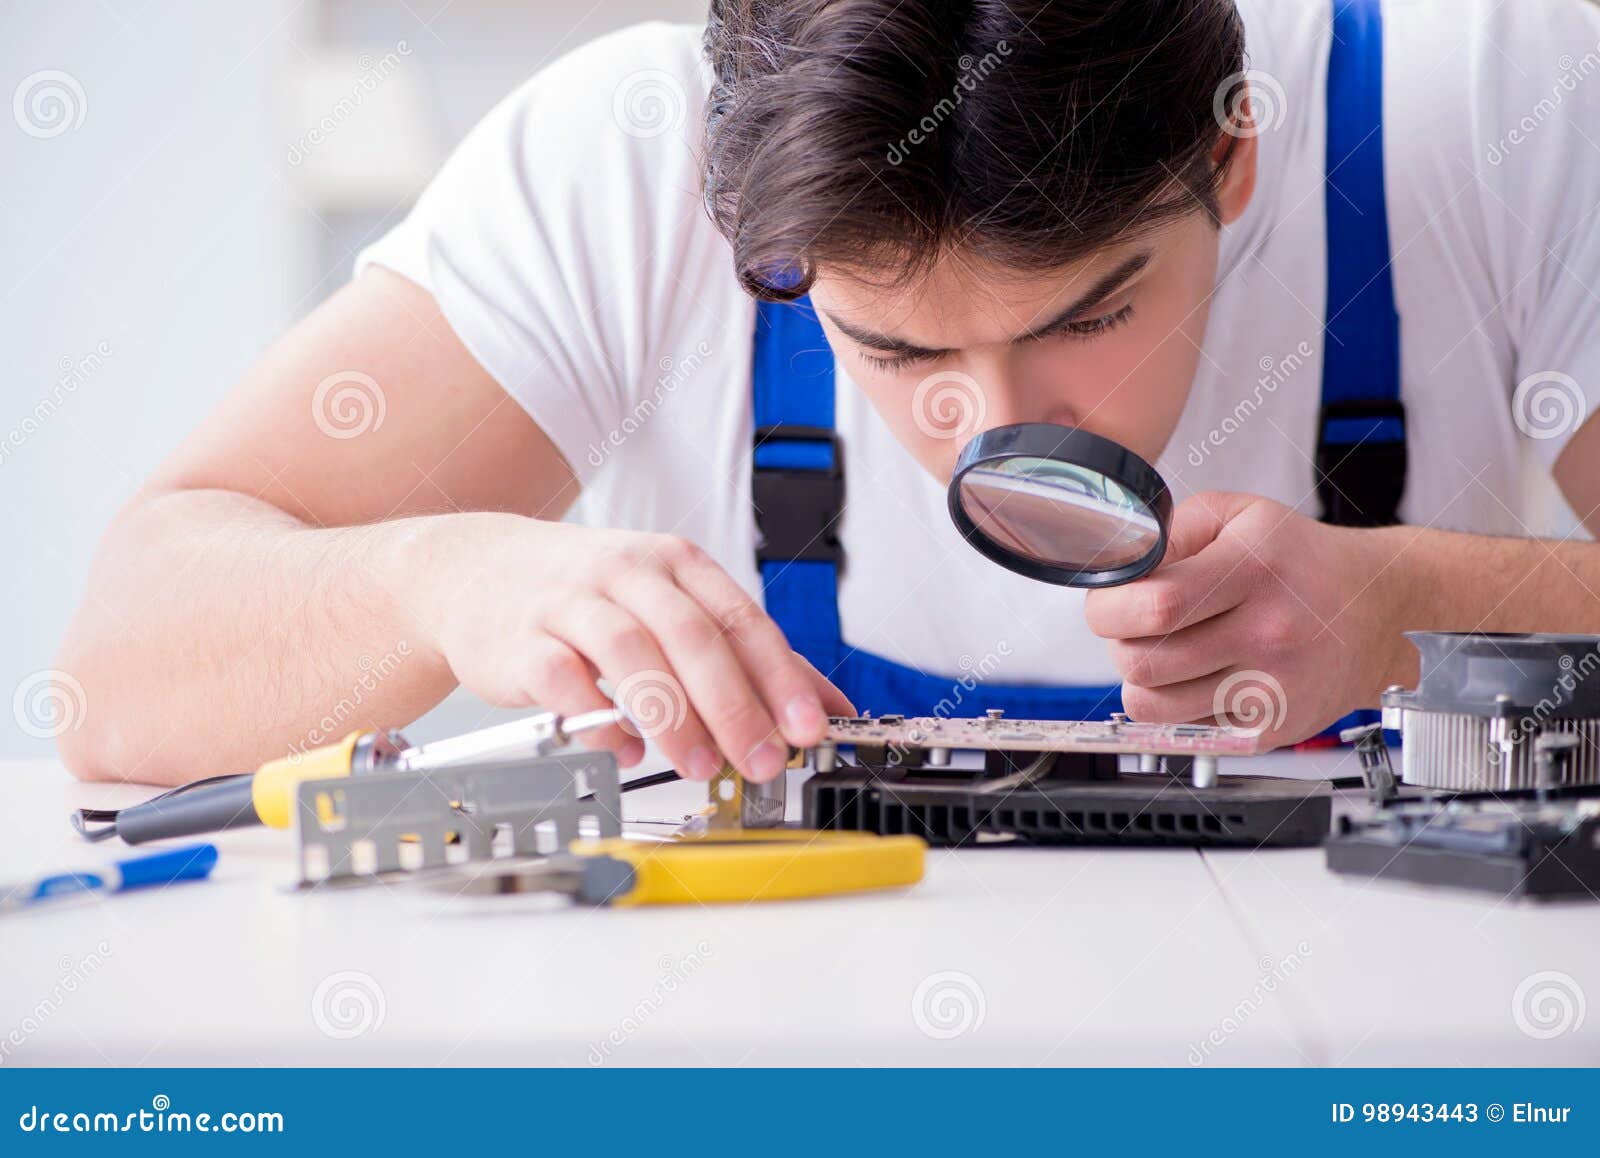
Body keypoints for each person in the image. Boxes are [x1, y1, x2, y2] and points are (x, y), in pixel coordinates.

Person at [56, 0, 1600, 787]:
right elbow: (118, 675)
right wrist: (441, 576)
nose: (990, 427)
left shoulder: (1492, 107)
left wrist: (1416, 608)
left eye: (1095, 311)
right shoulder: (624, 160)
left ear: (1234, 152)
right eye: (899, 351)